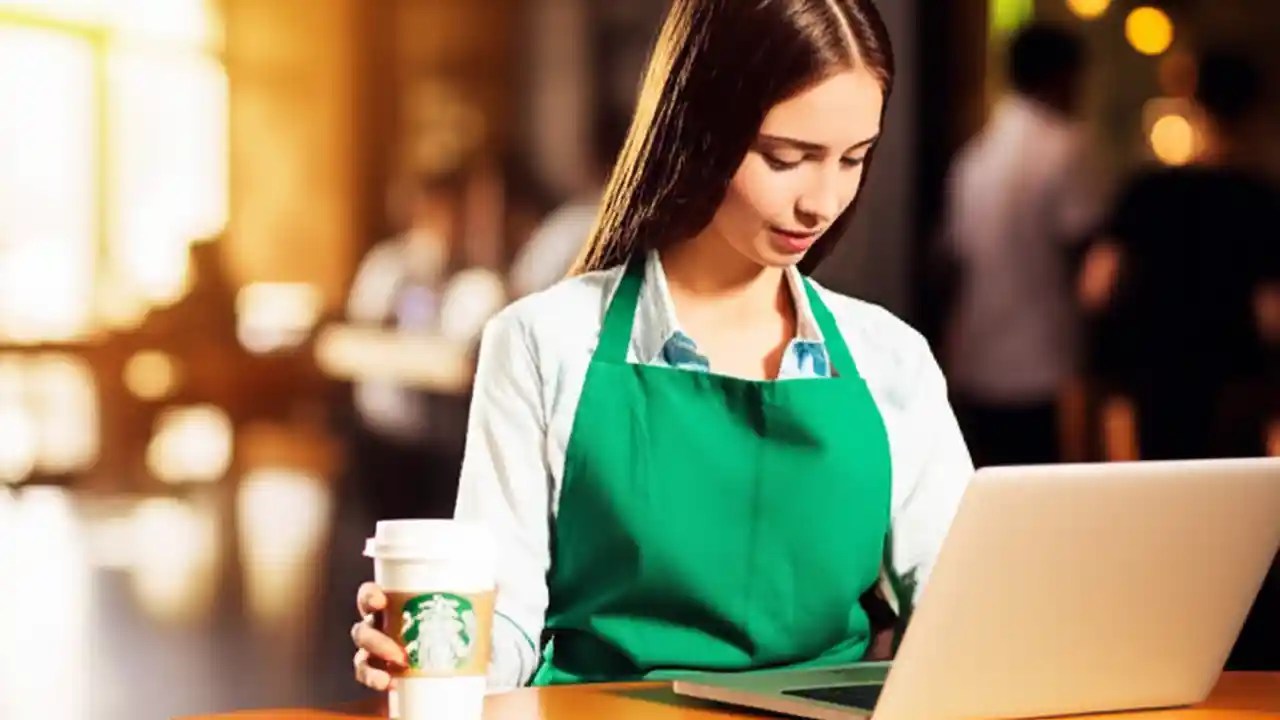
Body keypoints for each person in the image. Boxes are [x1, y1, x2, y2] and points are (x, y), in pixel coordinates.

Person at [351, 0, 973, 691]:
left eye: (854, 159)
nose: (822, 203)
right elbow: (511, 623)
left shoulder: (894, 361)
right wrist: (440, 658)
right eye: (786, 158)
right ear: (701, 124)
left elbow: (962, 609)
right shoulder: (542, 344)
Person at [1082, 50, 1280, 462]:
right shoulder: (1261, 199)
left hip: (1153, 376)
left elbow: (1095, 287)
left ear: (1194, 102)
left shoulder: (1146, 191)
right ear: (1256, 111)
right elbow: (1271, 314)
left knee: (1161, 494)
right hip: (1234, 382)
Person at [941, 23, 1103, 467]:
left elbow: (954, 263)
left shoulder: (974, 157)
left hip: (974, 359)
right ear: (1062, 76)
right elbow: (1084, 260)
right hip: (1043, 364)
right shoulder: (1065, 149)